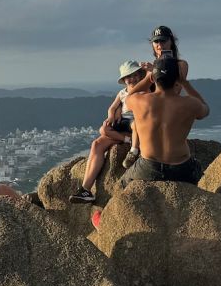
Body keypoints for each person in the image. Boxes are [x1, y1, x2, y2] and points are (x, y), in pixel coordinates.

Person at [121, 54, 210, 185]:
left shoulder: (140, 101)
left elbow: (129, 96)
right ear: (177, 79)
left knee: (124, 182)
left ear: (154, 77)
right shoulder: (190, 103)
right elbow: (205, 110)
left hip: (149, 167)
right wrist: (185, 83)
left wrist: (148, 78)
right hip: (182, 168)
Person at [69, 60, 147, 204]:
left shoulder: (148, 89)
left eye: (135, 75)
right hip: (123, 127)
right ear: (124, 80)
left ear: (140, 75)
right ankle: (86, 190)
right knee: (97, 143)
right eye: (128, 77)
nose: (132, 79)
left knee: (134, 125)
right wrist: (112, 115)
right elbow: (112, 107)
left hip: (139, 127)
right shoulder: (123, 93)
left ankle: (133, 145)